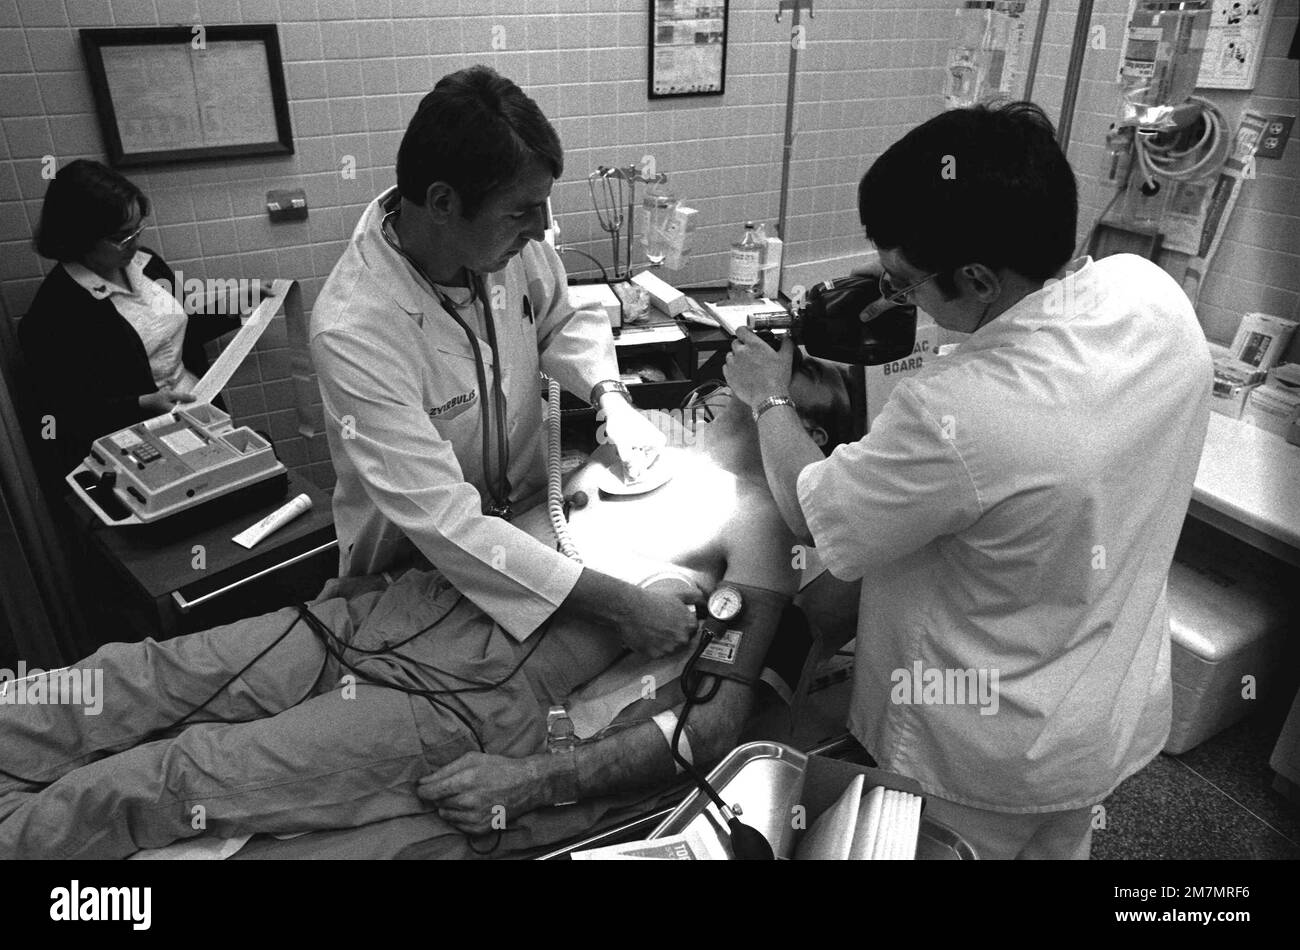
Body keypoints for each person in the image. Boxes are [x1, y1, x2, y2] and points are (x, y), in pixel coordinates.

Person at [0, 356, 855, 859]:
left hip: (446, 700)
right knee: (138, 672)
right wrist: (620, 411)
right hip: (384, 611)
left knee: (180, 774)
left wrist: (532, 780)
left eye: (767, 393)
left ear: (803, 439)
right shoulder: (631, 447)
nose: (728, 394)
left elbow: (708, 727)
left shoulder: (755, 527)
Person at [724, 100, 1214, 860]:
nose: (899, 297)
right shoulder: (1152, 296)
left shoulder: (962, 412)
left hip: (977, 750)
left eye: (907, 282)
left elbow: (807, 510)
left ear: (979, 276)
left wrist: (769, 395)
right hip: (1098, 713)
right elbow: (1014, 446)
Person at [310, 65, 689, 664]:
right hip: (418, 567)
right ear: (441, 202)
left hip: (533, 525)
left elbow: (560, 319)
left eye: (543, 207)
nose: (541, 230)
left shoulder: (509, 247)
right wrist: (624, 606)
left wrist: (611, 397)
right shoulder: (356, 328)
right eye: (521, 212)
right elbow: (445, 522)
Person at [19, 160, 241, 473]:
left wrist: (241, 306)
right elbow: (67, 410)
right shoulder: (55, 313)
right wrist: (142, 404)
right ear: (79, 236)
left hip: (197, 410)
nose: (134, 243)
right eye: (122, 236)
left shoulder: (147, 264)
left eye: (138, 228)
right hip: (136, 445)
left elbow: (175, 328)